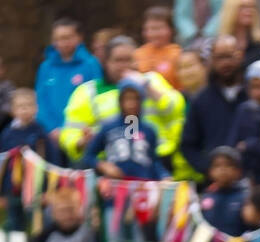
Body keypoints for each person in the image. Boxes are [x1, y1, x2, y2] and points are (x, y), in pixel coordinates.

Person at [82, 77, 168, 242]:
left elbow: (154, 162)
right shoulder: (109, 128)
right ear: (120, 101)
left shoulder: (149, 130)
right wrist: (104, 167)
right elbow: (88, 157)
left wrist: (164, 177)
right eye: (126, 99)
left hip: (141, 194)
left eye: (135, 99)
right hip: (115, 196)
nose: (131, 104)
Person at [59, 34, 184, 165]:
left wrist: (147, 86)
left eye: (129, 60)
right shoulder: (89, 91)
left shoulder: (152, 80)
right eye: (118, 60)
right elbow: (69, 132)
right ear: (107, 62)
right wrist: (81, 142)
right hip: (110, 166)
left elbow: (176, 108)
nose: (124, 65)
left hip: (156, 161)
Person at [179, 35, 246, 178]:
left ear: (240, 56)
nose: (225, 63)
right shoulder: (201, 100)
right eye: (220, 58)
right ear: (211, 61)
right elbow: (187, 144)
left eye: (229, 56)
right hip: (214, 184)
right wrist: (209, 169)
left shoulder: (254, 95)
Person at [35, 17, 102, 140]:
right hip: (51, 136)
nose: (62, 43)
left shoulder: (91, 64)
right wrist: (51, 128)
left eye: (67, 37)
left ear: (79, 37)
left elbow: (98, 98)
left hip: (81, 135)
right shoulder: (46, 67)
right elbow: (41, 100)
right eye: (58, 39)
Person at [202, 0, 260, 68]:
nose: (249, 11)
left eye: (253, 7)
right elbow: (206, 74)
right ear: (231, 10)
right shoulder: (211, 44)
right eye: (243, 7)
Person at [136, 6, 183, 90]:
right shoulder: (138, 54)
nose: (152, 33)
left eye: (157, 28)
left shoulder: (178, 54)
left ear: (170, 29)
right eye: (148, 29)